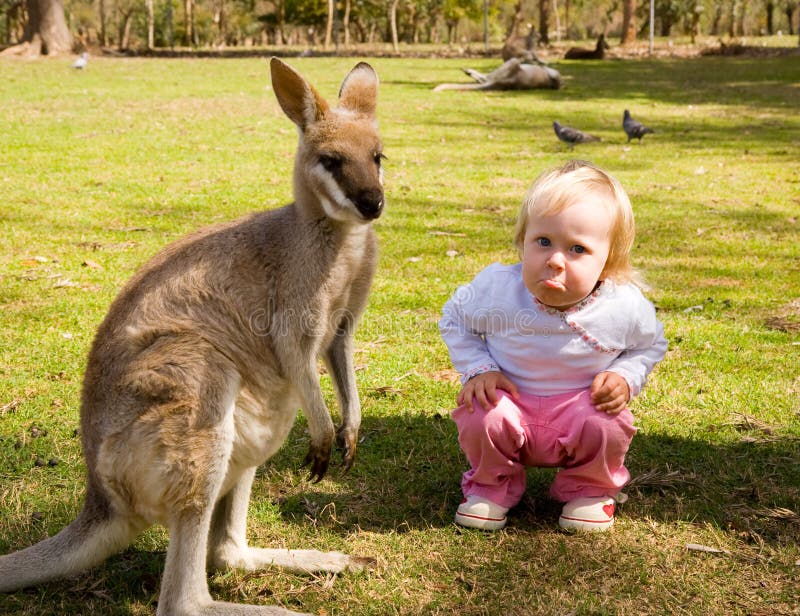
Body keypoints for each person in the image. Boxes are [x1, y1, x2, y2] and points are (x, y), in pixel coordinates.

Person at [439, 160, 667, 532]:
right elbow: (454, 319)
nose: (555, 261)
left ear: (608, 260)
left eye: (577, 249)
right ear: (522, 240)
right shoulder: (498, 289)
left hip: (580, 408)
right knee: (482, 413)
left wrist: (625, 375)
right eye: (543, 242)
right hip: (510, 403)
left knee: (606, 423)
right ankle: (491, 487)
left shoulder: (623, 306)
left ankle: (590, 489)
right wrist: (480, 368)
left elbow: (651, 343)